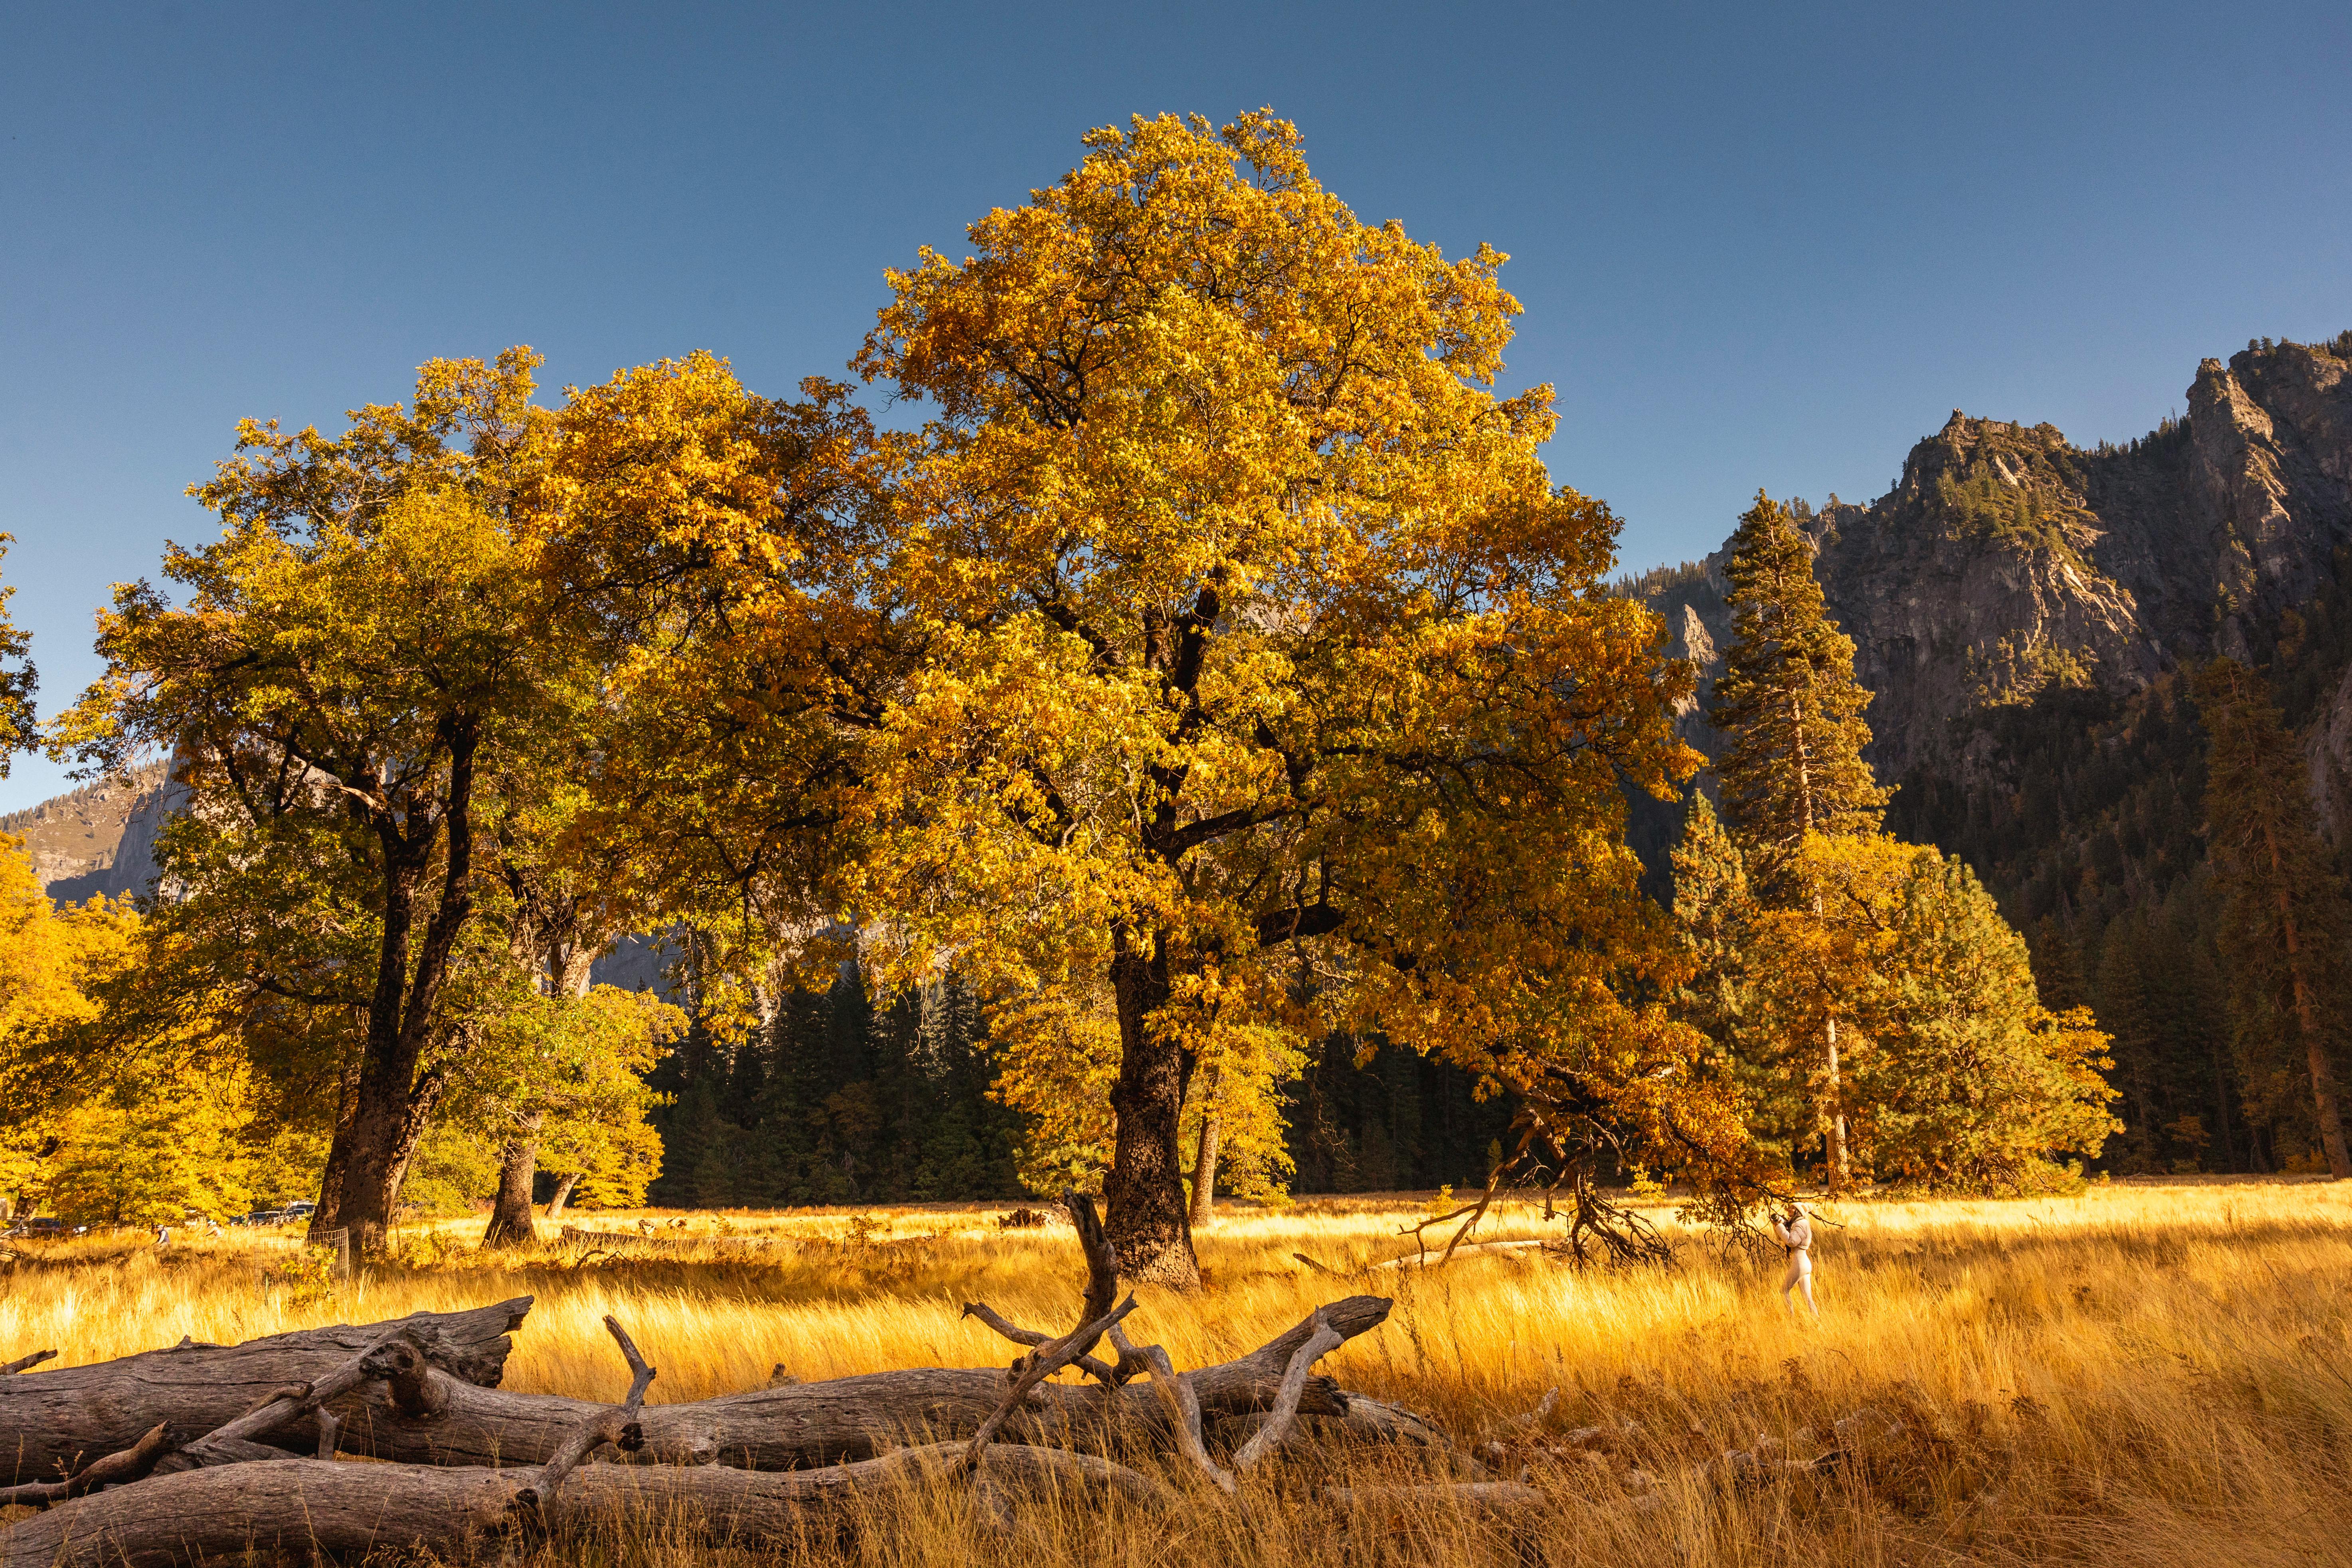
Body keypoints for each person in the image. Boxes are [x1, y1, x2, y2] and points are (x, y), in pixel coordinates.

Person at [1773, 1202, 1818, 1320]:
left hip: (1799, 1262)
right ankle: (1816, 1321)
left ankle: (1790, 1319)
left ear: (1799, 1212)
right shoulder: (1802, 1223)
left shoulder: (1800, 1224)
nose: (1790, 1209)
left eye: (1793, 1208)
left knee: (1784, 1291)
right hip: (1805, 1262)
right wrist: (1777, 1225)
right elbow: (1783, 1238)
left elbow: (1792, 1242)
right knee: (1808, 1297)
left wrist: (1781, 1227)